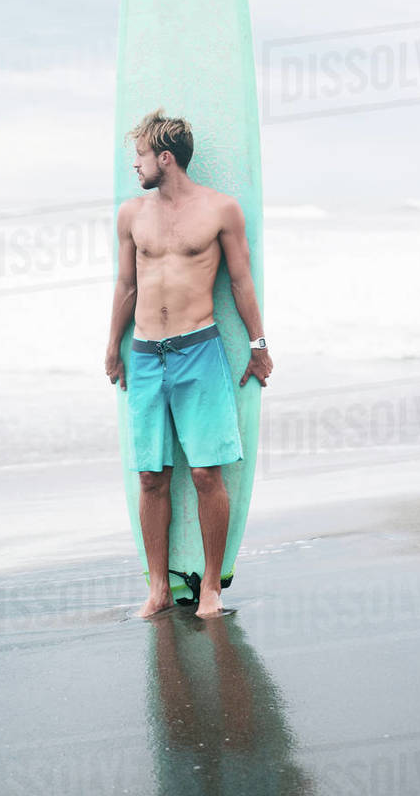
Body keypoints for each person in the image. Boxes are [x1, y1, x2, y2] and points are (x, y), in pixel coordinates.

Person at [105, 108, 272, 619]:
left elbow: (241, 282)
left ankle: (211, 591)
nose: (133, 166)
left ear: (165, 158)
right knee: (151, 476)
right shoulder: (132, 214)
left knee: (204, 473)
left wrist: (259, 344)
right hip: (146, 355)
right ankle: (157, 588)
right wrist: (112, 345)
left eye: (139, 156)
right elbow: (126, 285)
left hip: (199, 350)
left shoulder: (222, 211)